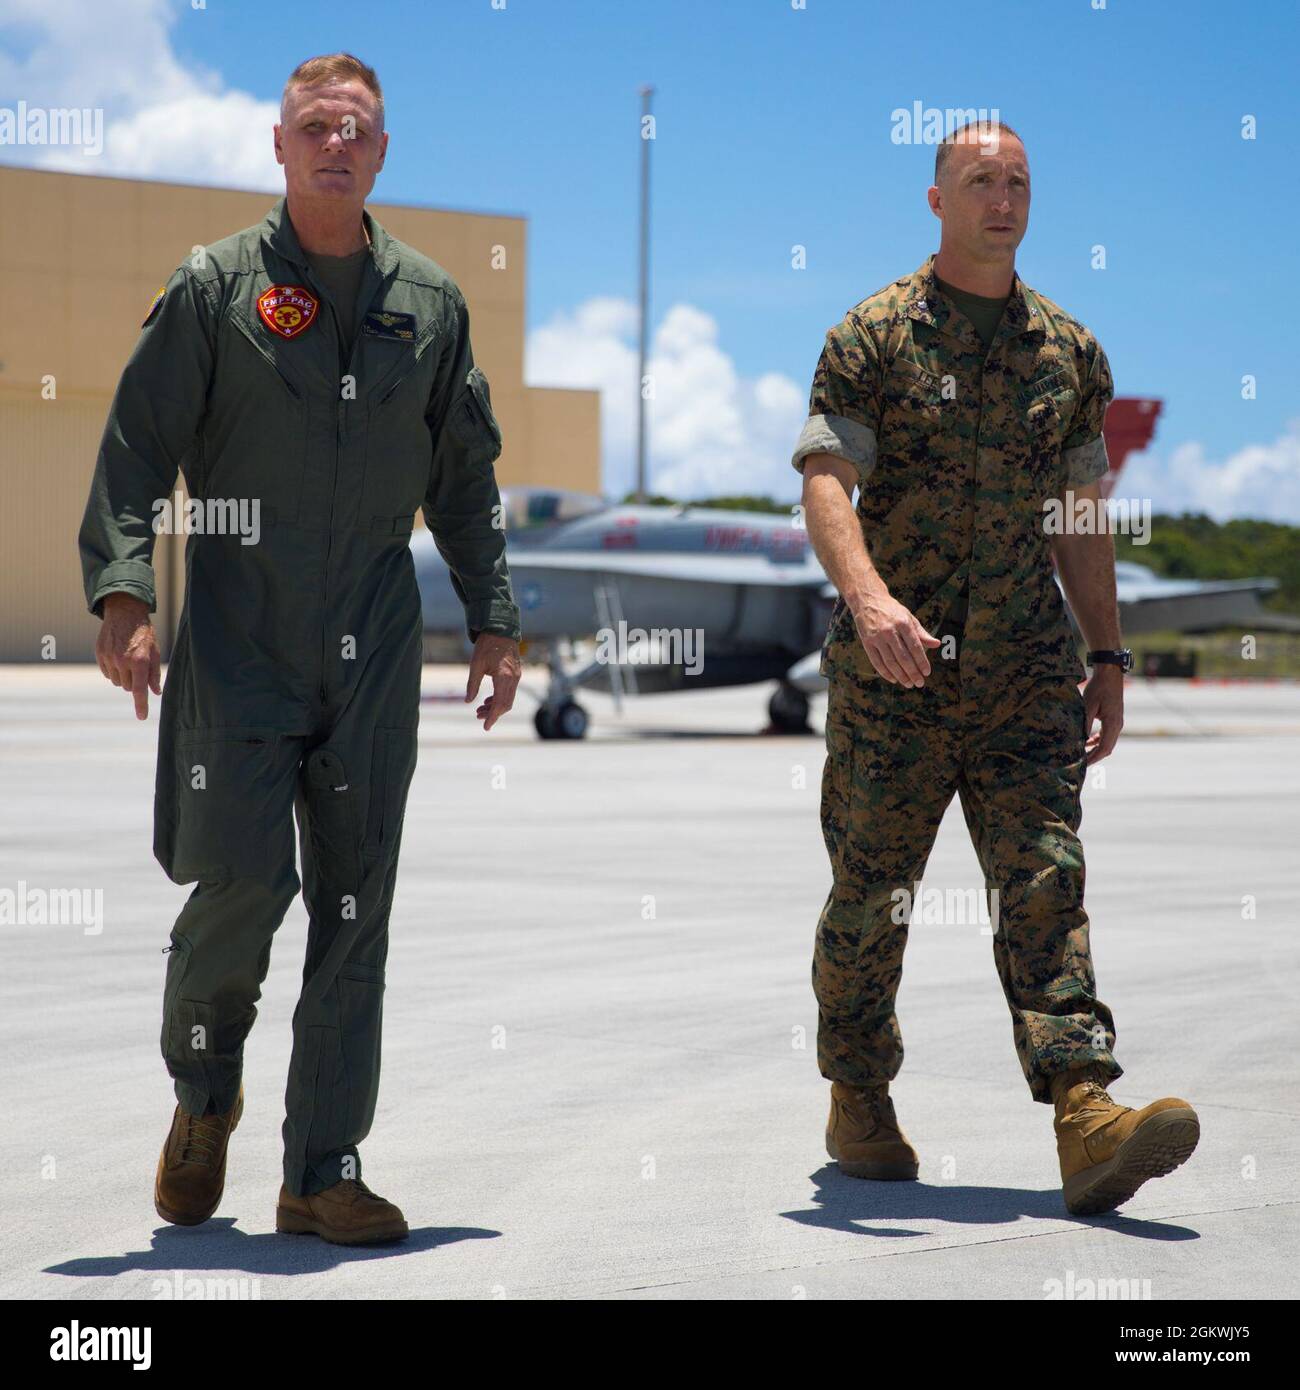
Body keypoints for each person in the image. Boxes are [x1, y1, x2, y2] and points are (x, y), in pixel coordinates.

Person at [79, 53, 522, 1245]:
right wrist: (125, 592)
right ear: (279, 146)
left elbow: (465, 480)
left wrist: (492, 616)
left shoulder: (426, 302)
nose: (338, 143)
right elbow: (134, 449)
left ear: (382, 154)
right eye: (316, 125)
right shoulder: (216, 288)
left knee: (353, 900)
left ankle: (320, 1167)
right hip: (238, 637)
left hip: (373, 639)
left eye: (359, 129)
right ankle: (203, 1095)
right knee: (241, 885)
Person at [792, 120, 1198, 1215]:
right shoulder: (871, 335)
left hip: (1024, 672)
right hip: (896, 678)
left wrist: (1108, 654)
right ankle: (859, 1090)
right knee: (870, 900)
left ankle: (1083, 1113)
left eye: (1018, 182)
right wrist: (868, 599)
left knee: (1045, 884)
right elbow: (827, 478)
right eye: (980, 180)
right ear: (937, 201)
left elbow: (1077, 515)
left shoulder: (1068, 352)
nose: (1002, 198)